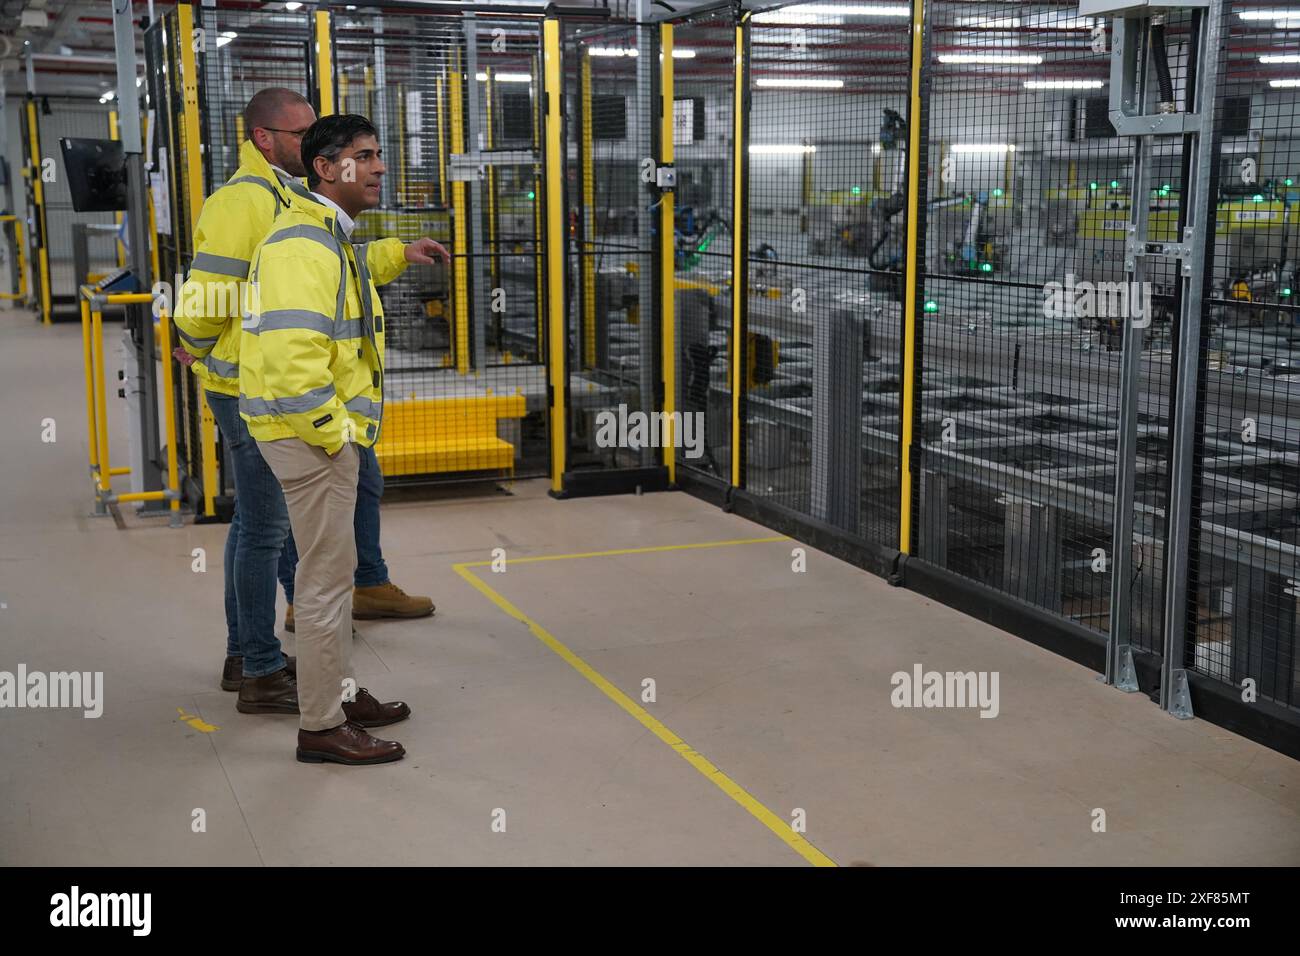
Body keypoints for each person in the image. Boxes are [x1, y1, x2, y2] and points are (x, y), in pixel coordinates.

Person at [174, 89, 436, 718]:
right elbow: (210, 292)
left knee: (279, 538)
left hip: (284, 397)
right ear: (266, 138)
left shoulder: (293, 200)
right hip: (259, 392)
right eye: (300, 135)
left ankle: (261, 659)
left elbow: (332, 267)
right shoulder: (247, 201)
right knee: (267, 534)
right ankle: (262, 667)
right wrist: (195, 344)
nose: (309, 143)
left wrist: (397, 253)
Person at [241, 113, 449, 764]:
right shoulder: (303, 243)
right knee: (327, 582)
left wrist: (399, 255)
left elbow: (349, 280)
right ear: (326, 168)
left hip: (315, 433)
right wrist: (333, 435)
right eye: (366, 155)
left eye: (380, 153)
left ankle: (337, 690)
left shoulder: (326, 234)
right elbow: (291, 353)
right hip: (310, 436)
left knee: (333, 575)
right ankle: (322, 726)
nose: (381, 166)